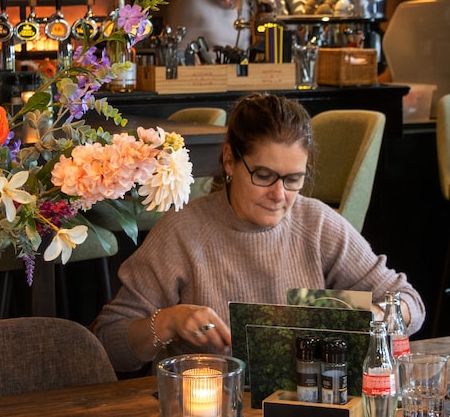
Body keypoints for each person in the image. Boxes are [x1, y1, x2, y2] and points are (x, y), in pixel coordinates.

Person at [92, 93, 425, 373]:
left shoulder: (317, 223)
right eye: (264, 175)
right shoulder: (184, 231)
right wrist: (168, 321)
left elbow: (411, 304)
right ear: (229, 162)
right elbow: (108, 341)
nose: (279, 194)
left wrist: (374, 316)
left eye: (293, 179)